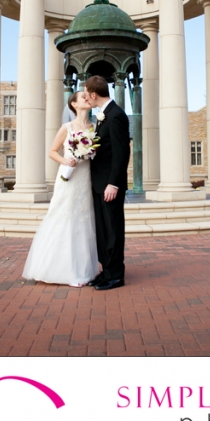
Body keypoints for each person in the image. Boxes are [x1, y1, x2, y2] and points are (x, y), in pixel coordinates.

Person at [21, 92, 99, 287]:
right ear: (73, 104)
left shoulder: (94, 128)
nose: (87, 98)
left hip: (86, 178)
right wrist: (67, 160)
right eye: (82, 96)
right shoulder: (66, 128)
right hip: (69, 178)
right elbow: (52, 152)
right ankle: (61, 270)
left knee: (84, 220)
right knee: (63, 217)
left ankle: (82, 270)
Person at [84, 75, 130, 290]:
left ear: (94, 94)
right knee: (102, 231)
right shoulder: (104, 116)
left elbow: (122, 154)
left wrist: (114, 184)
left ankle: (116, 276)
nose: (86, 98)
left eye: (86, 94)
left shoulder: (117, 115)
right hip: (98, 183)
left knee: (113, 230)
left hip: (109, 186)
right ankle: (106, 272)